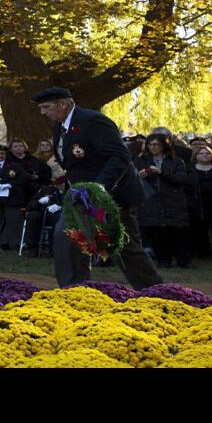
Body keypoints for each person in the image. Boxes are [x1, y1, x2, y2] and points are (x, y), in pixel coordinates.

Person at [33, 87, 163, 290]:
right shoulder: (59, 126)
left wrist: (97, 189)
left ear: (63, 104)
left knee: (123, 246)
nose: (43, 113)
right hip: (80, 196)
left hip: (112, 195)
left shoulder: (93, 121)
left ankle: (156, 291)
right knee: (65, 233)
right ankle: (74, 291)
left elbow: (120, 157)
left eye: (46, 107)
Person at [136, 133, 192, 268]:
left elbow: (181, 180)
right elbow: (133, 179)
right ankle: (163, 261)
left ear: (164, 145)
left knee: (177, 232)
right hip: (152, 202)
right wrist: (140, 175)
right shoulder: (141, 161)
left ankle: (183, 261)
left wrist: (161, 173)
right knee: (157, 232)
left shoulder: (176, 161)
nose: (153, 147)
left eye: (156, 144)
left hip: (173, 201)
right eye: (150, 144)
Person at [0, 144, 26, 250]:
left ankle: (15, 244)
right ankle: (3, 243)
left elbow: (23, 178)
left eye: (2, 153)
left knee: (14, 221)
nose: (0, 155)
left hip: (12, 198)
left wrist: (11, 185)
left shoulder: (15, 165)